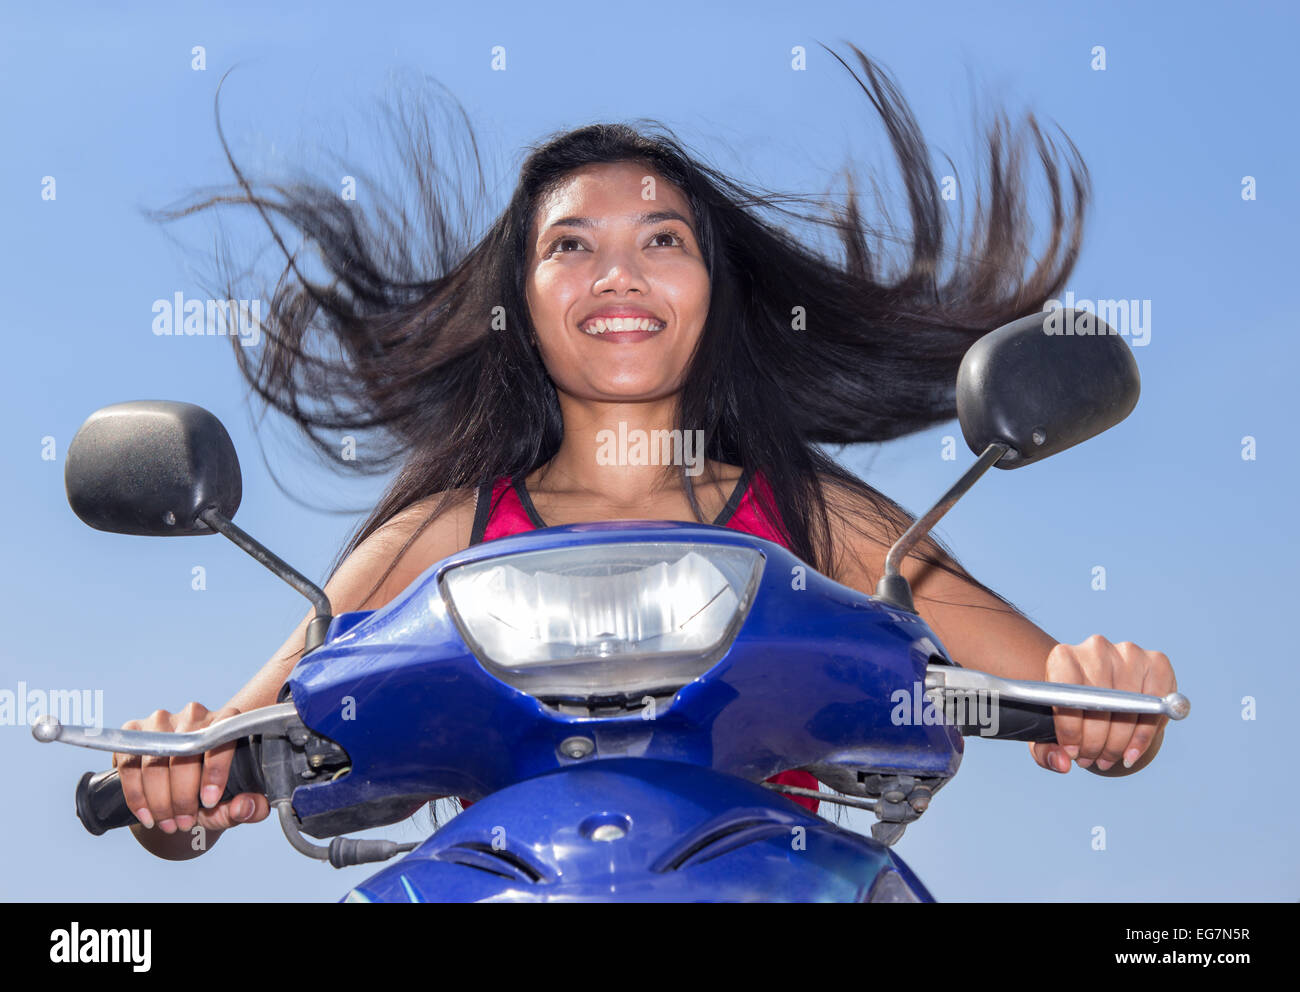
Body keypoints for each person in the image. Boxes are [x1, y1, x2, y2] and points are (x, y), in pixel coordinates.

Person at [115, 46, 1177, 861]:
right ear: (521, 302)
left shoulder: (813, 512)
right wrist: (179, 779)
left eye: (661, 240)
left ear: (713, 291)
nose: (616, 273)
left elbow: (1038, 670)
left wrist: (1095, 686)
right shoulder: (437, 529)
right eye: (570, 245)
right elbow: (240, 733)